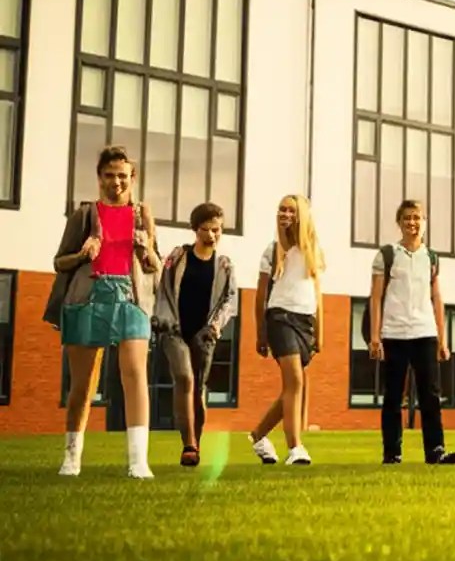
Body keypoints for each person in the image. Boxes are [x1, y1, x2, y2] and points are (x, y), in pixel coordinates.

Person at [44, 146, 161, 478]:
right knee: (82, 383)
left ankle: (139, 462)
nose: (116, 182)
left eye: (122, 176)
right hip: (88, 297)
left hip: (131, 297)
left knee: (135, 375)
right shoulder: (84, 215)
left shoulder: (143, 215)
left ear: (132, 178)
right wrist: (84, 254)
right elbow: (59, 262)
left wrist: (147, 250)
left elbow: (156, 266)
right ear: (99, 178)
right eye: (109, 175)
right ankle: (72, 457)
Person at [368, 200, 455, 466]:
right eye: (407, 218)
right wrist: (375, 337)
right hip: (394, 333)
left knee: (430, 395)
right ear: (399, 223)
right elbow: (375, 298)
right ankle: (392, 453)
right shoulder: (387, 255)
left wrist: (442, 338)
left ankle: (436, 451)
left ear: (424, 222)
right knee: (393, 396)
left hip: (424, 332)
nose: (412, 223)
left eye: (417, 218)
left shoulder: (431, 258)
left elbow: (437, 297)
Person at [153, 203, 238, 467]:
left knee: (198, 388)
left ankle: (195, 444)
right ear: (194, 229)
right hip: (174, 329)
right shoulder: (177, 257)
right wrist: (165, 320)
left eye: (217, 230)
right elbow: (163, 288)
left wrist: (214, 327)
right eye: (206, 229)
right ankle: (188, 444)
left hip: (204, 334)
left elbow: (230, 300)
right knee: (184, 378)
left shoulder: (224, 265)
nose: (212, 235)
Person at [248, 195, 324, 466]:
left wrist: (320, 331)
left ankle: (258, 436)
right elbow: (259, 296)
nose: (285, 214)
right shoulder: (273, 251)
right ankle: (296, 448)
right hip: (279, 317)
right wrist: (260, 332)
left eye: (291, 210)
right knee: (294, 381)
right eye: (281, 209)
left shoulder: (311, 249)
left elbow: (317, 292)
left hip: (305, 321)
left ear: (302, 214)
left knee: (293, 387)